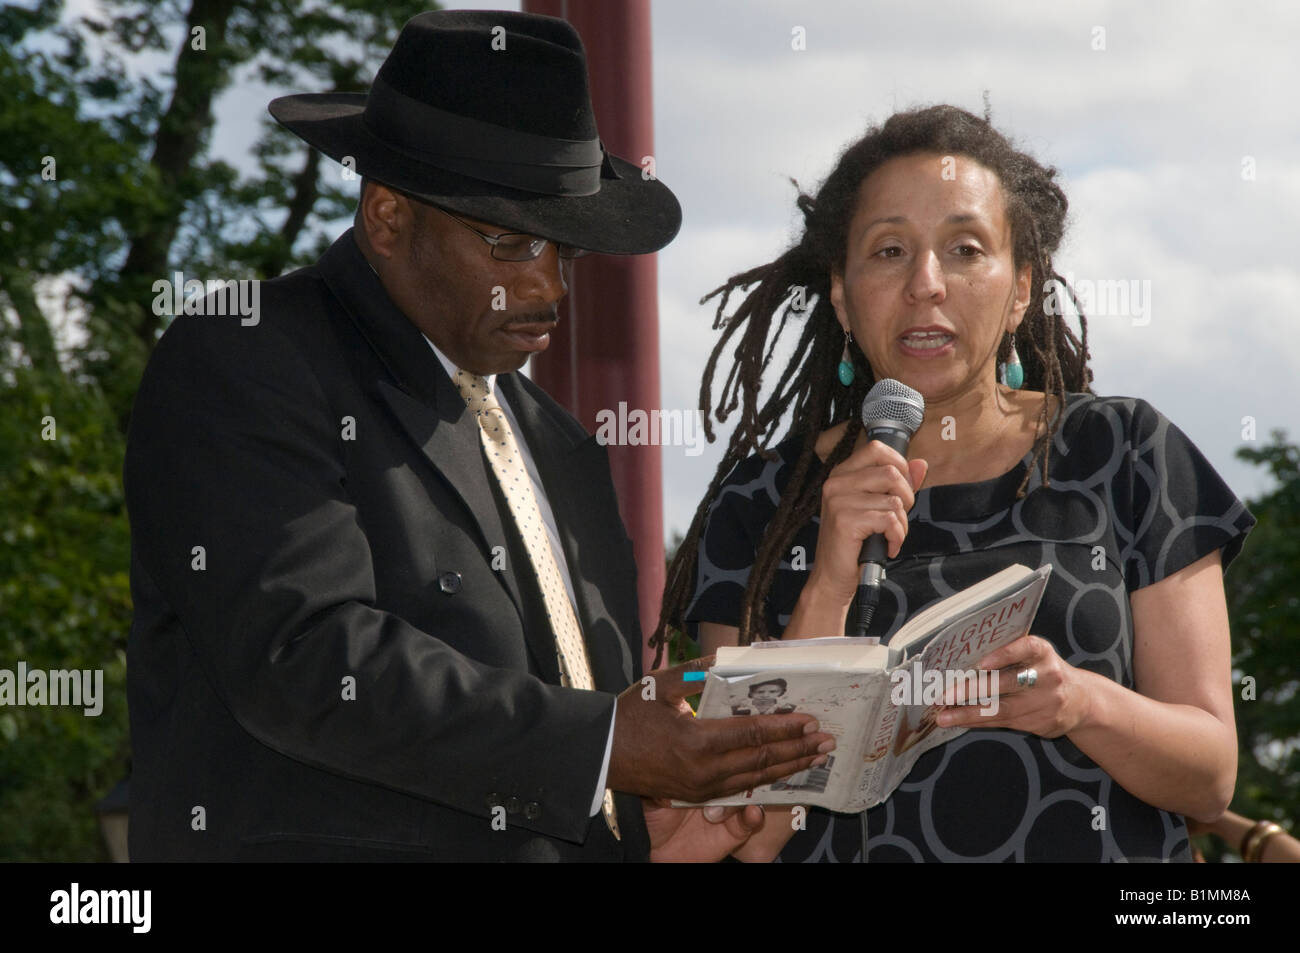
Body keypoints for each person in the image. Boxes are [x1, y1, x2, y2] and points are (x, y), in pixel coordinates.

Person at [123, 9, 834, 863]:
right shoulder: (250, 358)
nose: (546, 286)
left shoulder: (561, 447)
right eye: (508, 243)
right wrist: (608, 739)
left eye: (563, 252)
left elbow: (558, 750)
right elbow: (304, 657)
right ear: (386, 218)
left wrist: (649, 822)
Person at [657, 104, 1253, 862]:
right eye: (889, 251)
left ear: (1021, 290)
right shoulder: (761, 501)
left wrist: (1080, 701)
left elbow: (1209, 777)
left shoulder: (1125, 452)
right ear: (842, 295)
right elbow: (750, 834)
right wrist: (831, 581)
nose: (925, 284)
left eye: (965, 249)